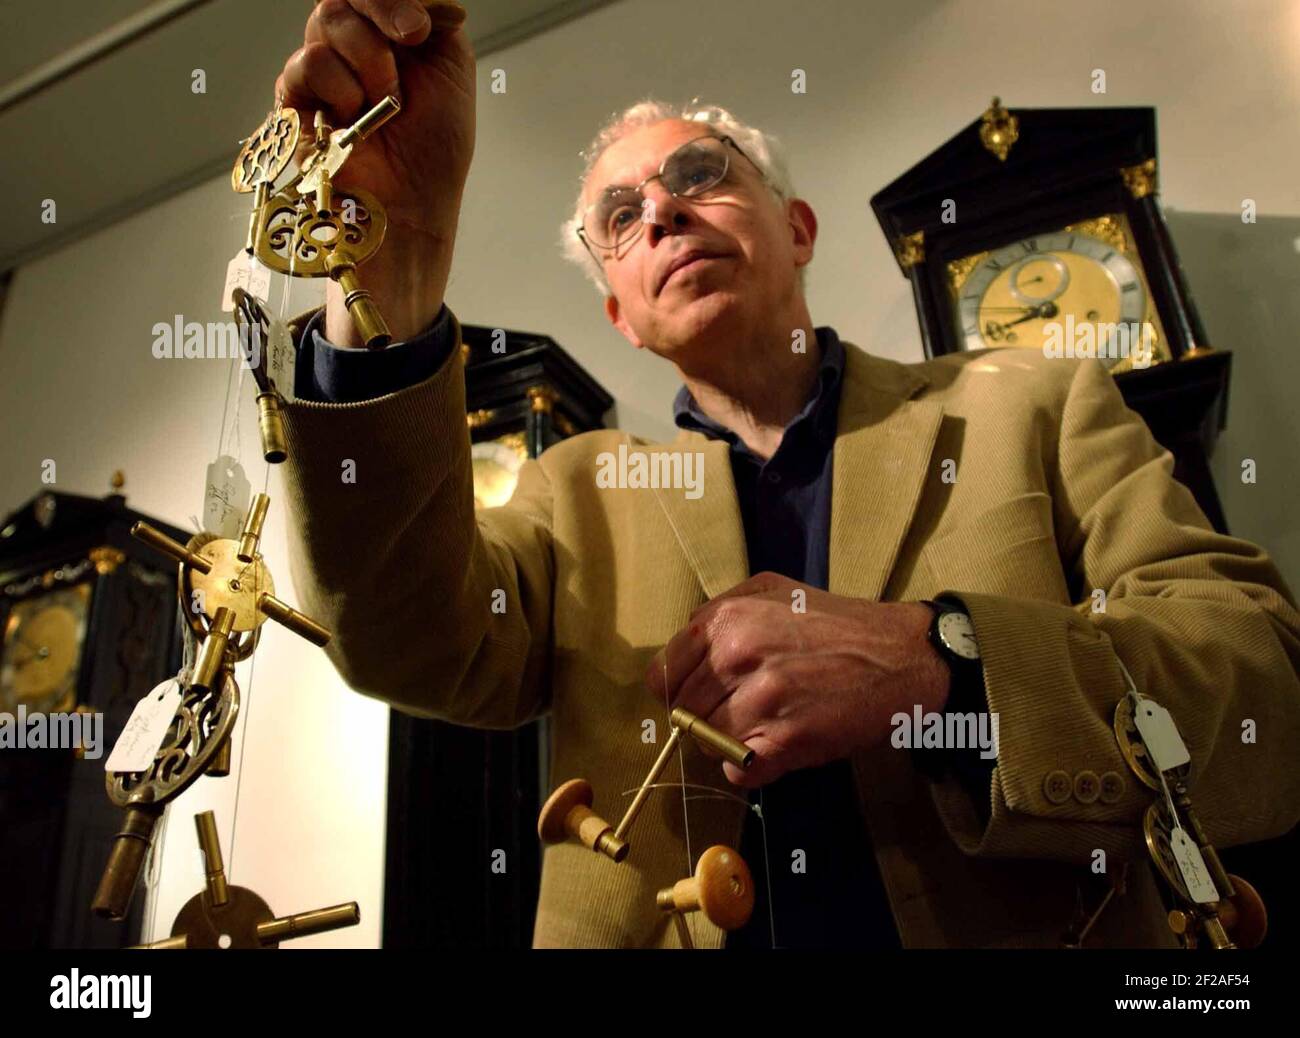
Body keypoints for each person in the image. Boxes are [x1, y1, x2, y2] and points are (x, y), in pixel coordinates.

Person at [273, 0, 1300, 947]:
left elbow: (1263, 682)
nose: (662, 216)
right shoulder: (570, 493)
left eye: (698, 177)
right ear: (619, 316)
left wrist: (948, 668)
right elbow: (401, 642)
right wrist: (388, 275)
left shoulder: (1032, 403)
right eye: (620, 217)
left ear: (796, 228)